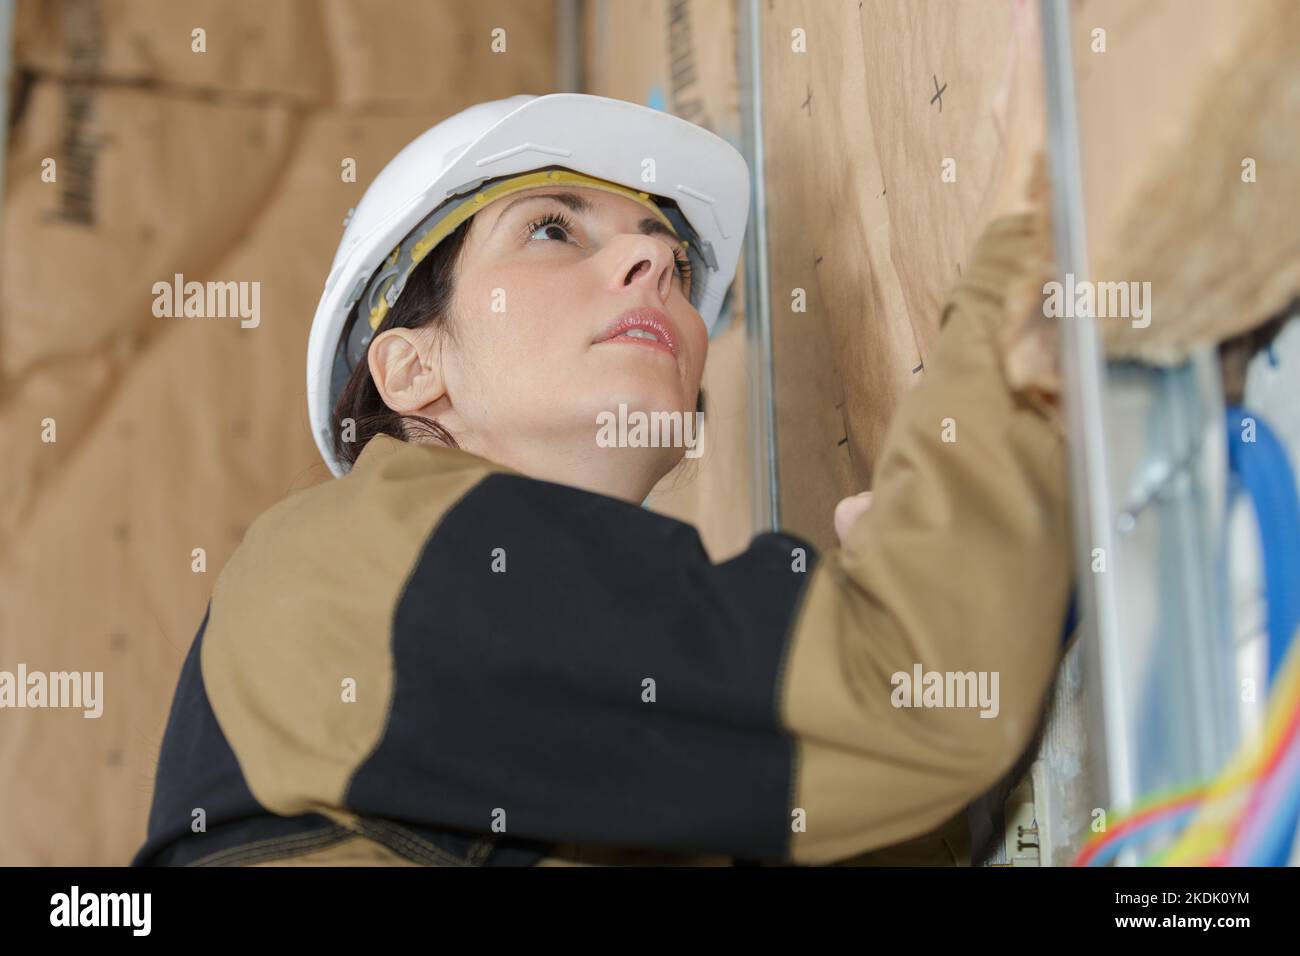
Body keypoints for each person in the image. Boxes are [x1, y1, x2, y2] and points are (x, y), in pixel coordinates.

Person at [133, 5, 1071, 868]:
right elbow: (923, 695)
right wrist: (1031, 225)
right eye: (550, 229)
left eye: (668, 251)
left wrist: (939, 572)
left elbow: (913, 725)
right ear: (412, 368)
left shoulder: (559, 726)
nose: (655, 258)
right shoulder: (328, 565)